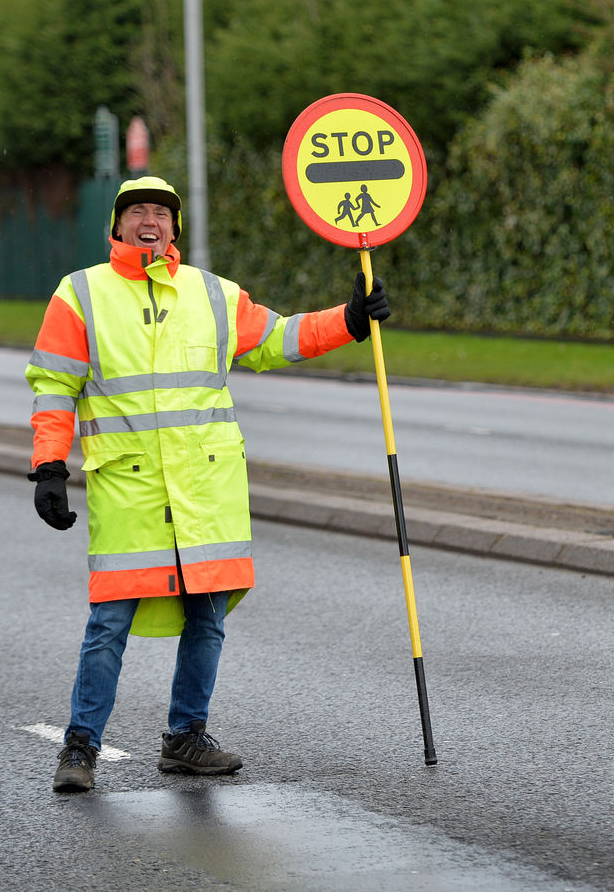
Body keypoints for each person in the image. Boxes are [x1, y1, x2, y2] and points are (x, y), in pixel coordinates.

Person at [26, 176, 390, 792]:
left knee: (207, 618)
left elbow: (278, 339)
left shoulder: (213, 294)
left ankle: (186, 737)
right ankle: (80, 747)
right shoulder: (81, 294)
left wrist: (349, 319)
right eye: (138, 212)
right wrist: (49, 466)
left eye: (161, 214)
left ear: (174, 230)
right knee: (108, 624)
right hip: (130, 493)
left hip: (205, 492)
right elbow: (55, 386)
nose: (150, 222)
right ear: (117, 227)